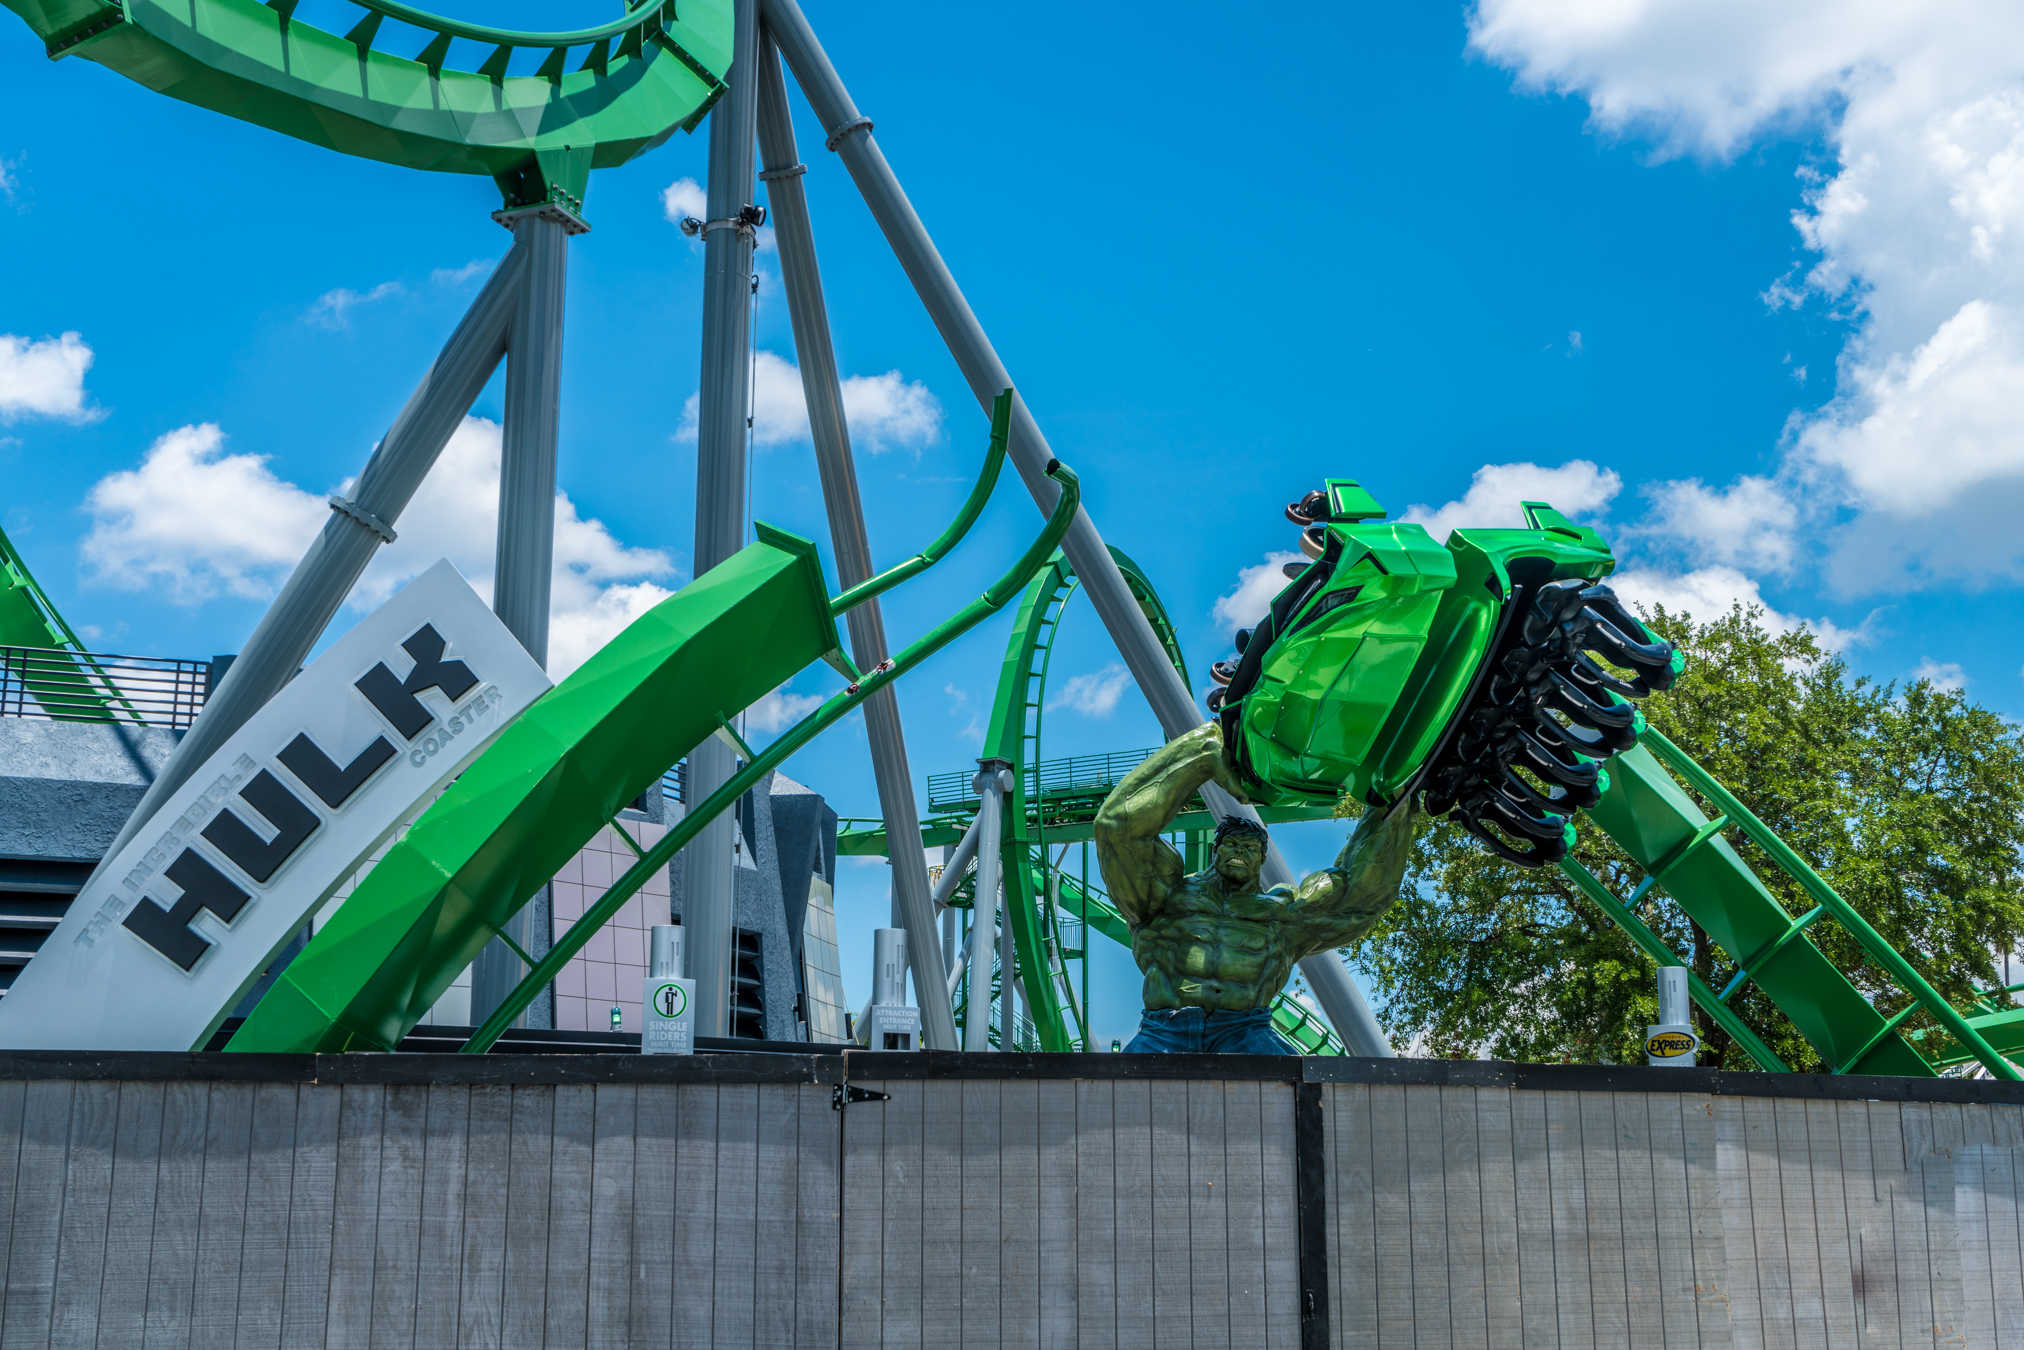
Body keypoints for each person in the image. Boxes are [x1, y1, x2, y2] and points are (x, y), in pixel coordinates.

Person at [1093, 722, 1421, 1053]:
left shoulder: (1280, 916)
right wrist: (1201, 755)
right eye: (1232, 845)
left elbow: (1359, 897)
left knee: (1306, 1091)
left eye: (1250, 849)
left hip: (1246, 1032)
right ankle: (1207, 748)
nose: (1239, 852)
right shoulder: (1165, 898)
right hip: (1164, 1030)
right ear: (1215, 851)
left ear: (1261, 860)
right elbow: (1116, 827)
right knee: (1114, 1097)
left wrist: (1392, 806)